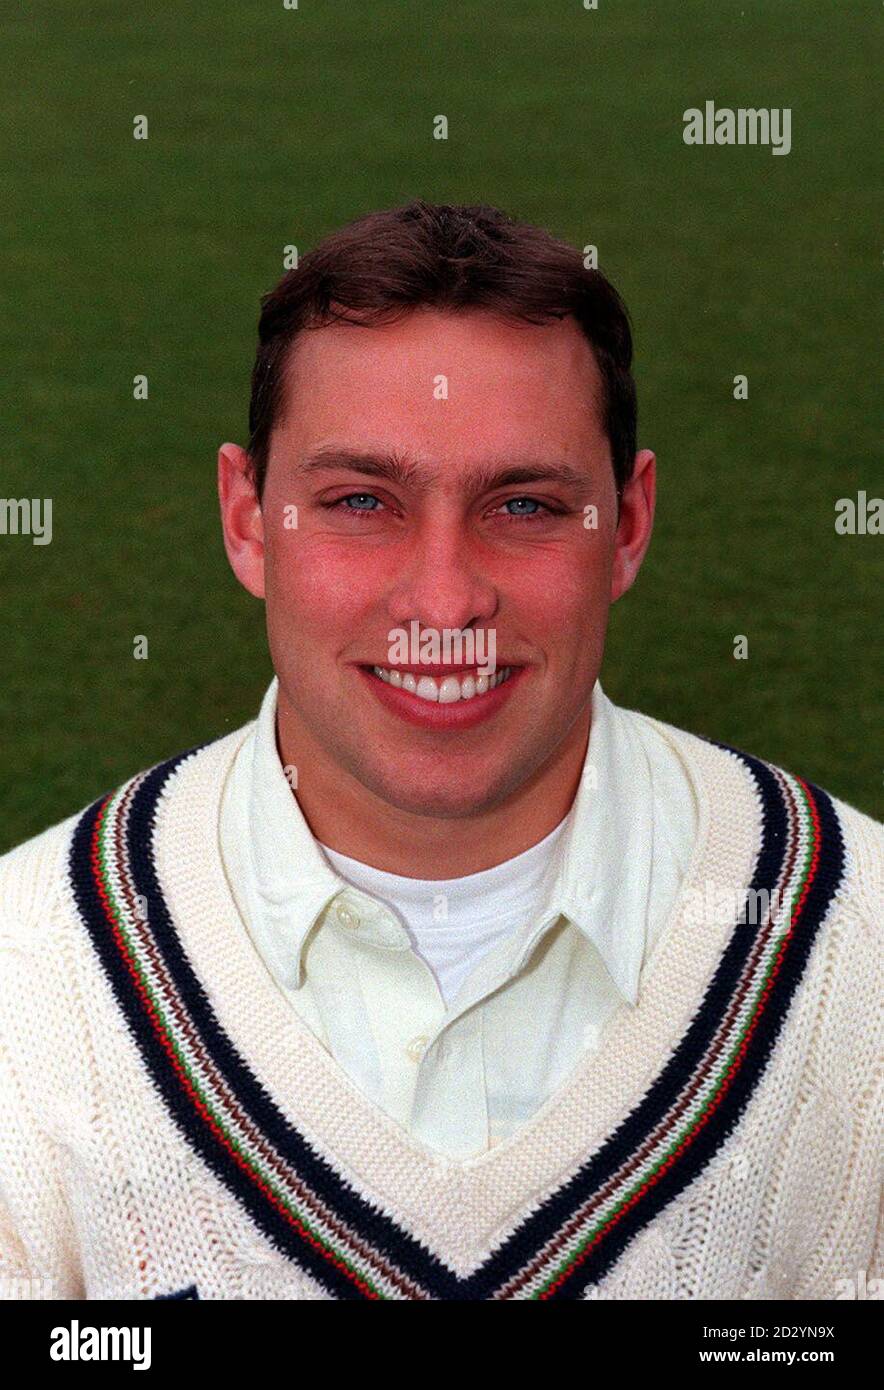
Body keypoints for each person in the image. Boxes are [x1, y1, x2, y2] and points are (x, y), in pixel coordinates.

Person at [0, 201, 880, 1301]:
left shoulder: (860, 950)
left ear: (629, 522)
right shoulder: (25, 977)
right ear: (244, 516)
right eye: (360, 500)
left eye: (523, 503)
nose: (442, 601)